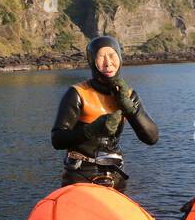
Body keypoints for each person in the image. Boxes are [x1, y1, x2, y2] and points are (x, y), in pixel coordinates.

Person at [50, 35, 159, 191]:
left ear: (120, 58)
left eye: (112, 55)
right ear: (92, 61)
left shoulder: (128, 94)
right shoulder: (78, 94)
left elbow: (152, 138)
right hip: (81, 175)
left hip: (115, 176)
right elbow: (57, 140)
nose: (108, 63)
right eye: (101, 57)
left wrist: (131, 110)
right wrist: (91, 130)